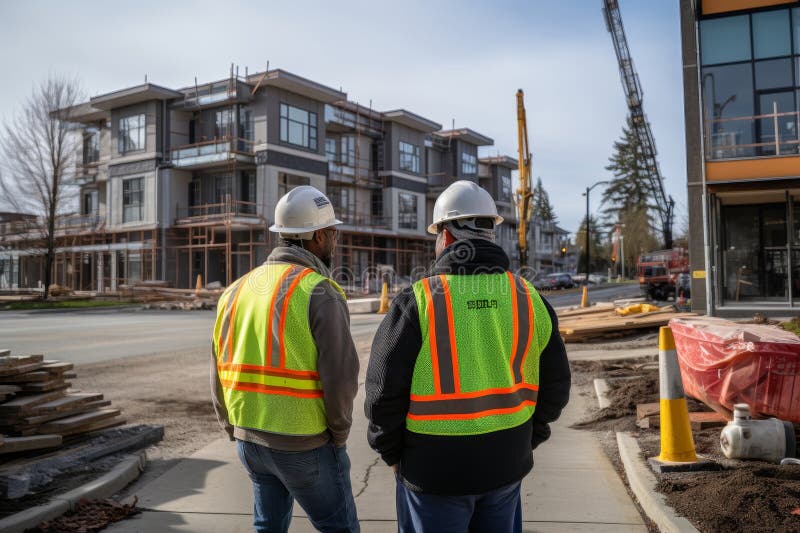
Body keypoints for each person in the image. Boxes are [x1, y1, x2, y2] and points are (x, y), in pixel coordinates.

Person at [364, 180, 571, 532]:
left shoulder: (419, 301)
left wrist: (391, 453)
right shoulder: (527, 296)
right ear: (490, 233)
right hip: (506, 465)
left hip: (433, 473)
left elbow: (383, 393)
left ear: (446, 236)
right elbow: (556, 385)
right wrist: (524, 440)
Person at [212, 185, 360, 533]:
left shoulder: (235, 290)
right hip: (304, 443)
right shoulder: (320, 290)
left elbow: (217, 366)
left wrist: (231, 425)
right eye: (332, 233)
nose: (334, 241)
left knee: (268, 527)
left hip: (250, 441)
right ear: (318, 236)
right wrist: (338, 434)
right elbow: (340, 376)